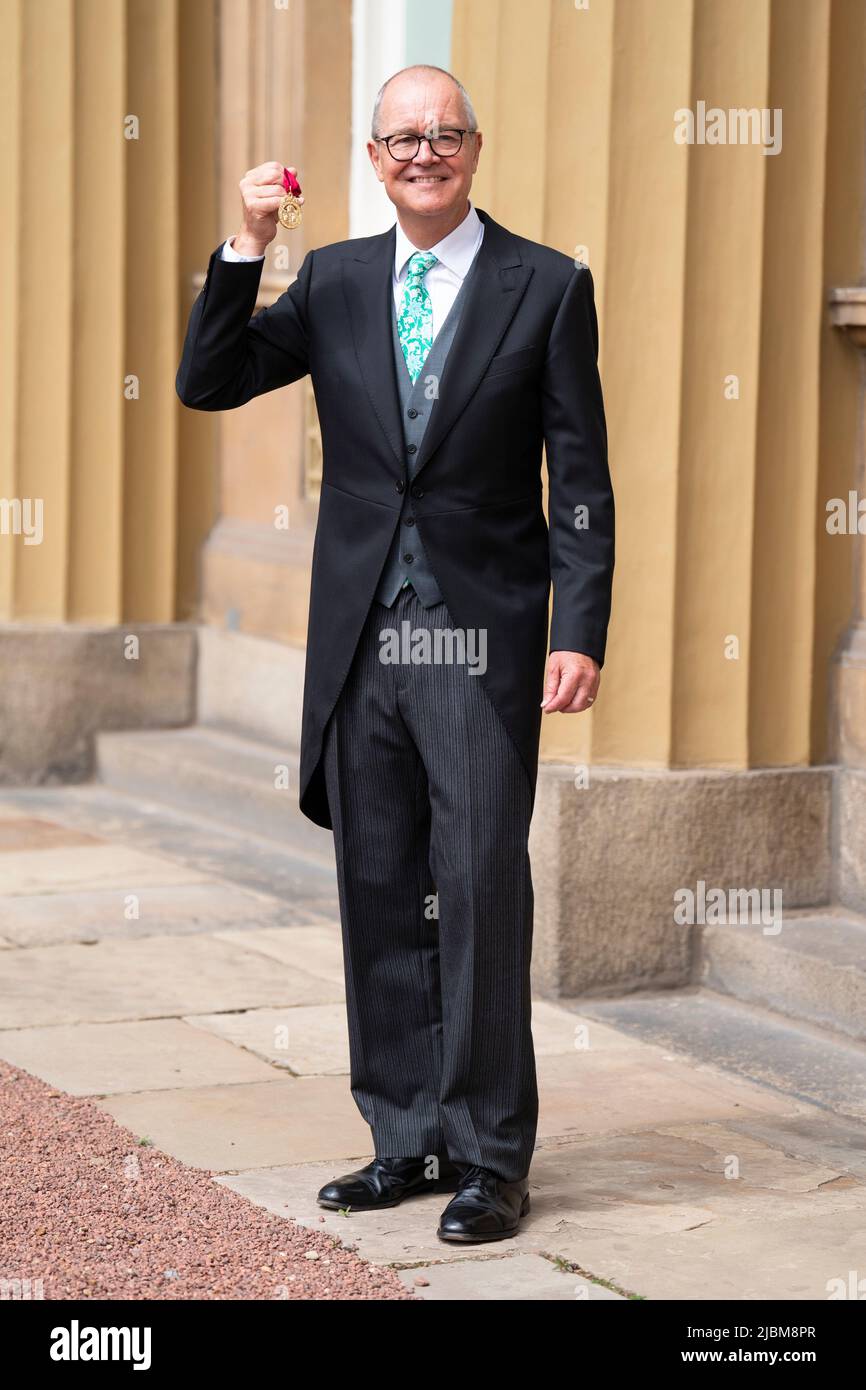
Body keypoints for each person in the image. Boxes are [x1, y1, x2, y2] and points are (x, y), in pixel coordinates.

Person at [176, 64, 614, 1244]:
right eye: (400, 136)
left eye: (444, 132)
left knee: (477, 888)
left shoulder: (547, 286)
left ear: (474, 147)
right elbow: (208, 381)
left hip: (477, 640)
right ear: (373, 159)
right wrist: (246, 240)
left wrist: (579, 630)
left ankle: (487, 1158)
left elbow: (577, 480)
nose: (423, 151)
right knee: (379, 884)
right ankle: (403, 1136)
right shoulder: (331, 279)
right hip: (360, 636)